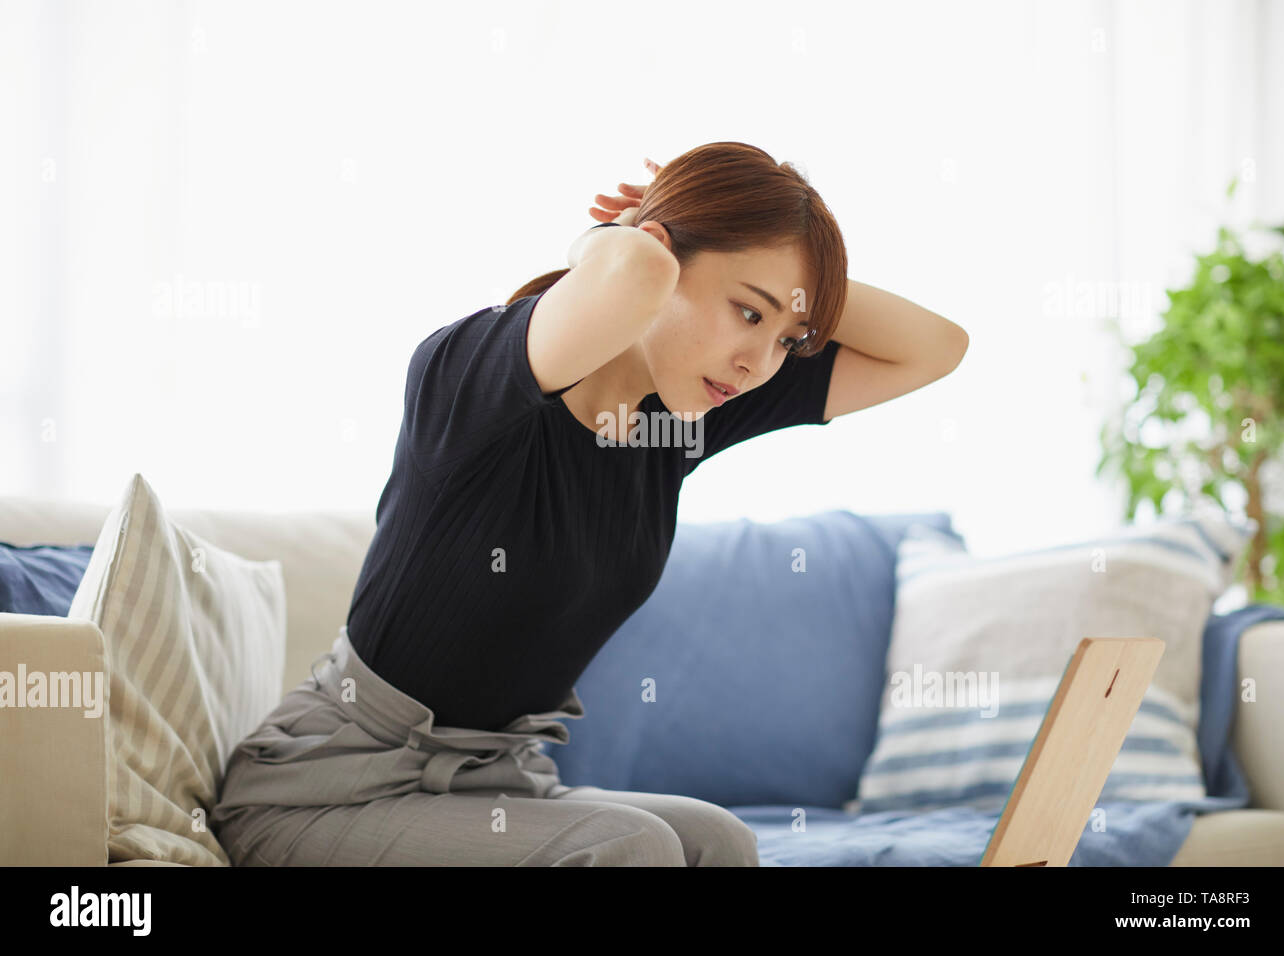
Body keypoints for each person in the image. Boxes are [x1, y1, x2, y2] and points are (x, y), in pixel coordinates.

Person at [210, 142, 859, 866]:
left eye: (787, 339)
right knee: (632, 846)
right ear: (655, 256)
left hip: (503, 785)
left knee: (721, 843)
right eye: (747, 311)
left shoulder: (674, 428)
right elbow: (636, 268)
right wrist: (619, 236)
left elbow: (935, 349)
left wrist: (801, 277)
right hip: (325, 790)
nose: (759, 362)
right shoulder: (470, 379)